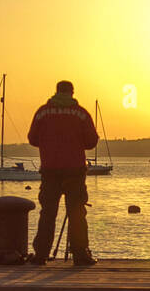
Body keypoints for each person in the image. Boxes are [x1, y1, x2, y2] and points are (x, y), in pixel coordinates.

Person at [28, 80, 99, 265]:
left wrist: (48, 143)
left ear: (56, 91)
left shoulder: (43, 112)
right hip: (75, 171)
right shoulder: (81, 113)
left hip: (50, 170)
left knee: (47, 213)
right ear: (72, 93)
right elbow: (92, 141)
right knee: (77, 213)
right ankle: (80, 254)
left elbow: (32, 138)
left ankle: (41, 254)